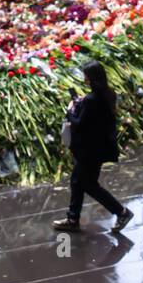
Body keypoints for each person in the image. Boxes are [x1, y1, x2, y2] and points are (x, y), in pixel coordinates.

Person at [53, 62, 133, 233]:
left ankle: (121, 212)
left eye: (85, 75)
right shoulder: (107, 94)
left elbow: (79, 124)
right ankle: (72, 218)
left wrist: (70, 112)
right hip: (98, 148)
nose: (84, 78)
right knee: (78, 182)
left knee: (88, 184)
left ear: (90, 77)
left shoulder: (91, 99)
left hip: (89, 150)